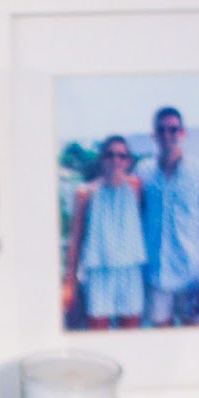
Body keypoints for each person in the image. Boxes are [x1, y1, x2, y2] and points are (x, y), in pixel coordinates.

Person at [137, 106, 199, 326]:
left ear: (182, 133)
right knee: (162, 345)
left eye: (173, 130)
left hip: (192, 275)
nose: (167, 135)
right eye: (162, 130)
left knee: (194, 344)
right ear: (153, 135)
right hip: (156, 275)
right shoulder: (143, 172)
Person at [62, 136, 146, 330]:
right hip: (98, 271)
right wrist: (70, 283)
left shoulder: (136, 188)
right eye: (110, 155)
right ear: (102, 159)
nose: (115, 160)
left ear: (128, 161)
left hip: (130, 270)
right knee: (98, 330)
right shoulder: (86, 193)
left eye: (121, 156)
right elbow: (76, 240)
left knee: (131, 332)